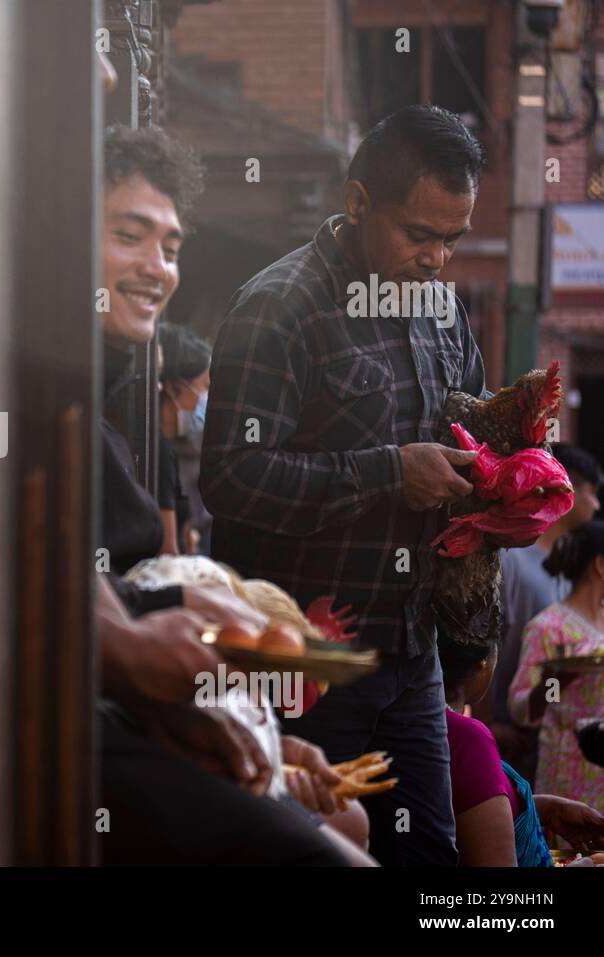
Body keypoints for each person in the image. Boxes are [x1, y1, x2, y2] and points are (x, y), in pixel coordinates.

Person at [201, 104, 493, 866]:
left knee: (431, 858)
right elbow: (232, 478)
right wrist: (388, 471)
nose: (436, 260)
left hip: (414, 652)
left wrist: (506, 486)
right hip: (308, 665)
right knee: (313, 855)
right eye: (419, 235)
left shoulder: (443, 312)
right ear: (359, 202)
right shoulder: (280, 307)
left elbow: (475, 440)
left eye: (452, 241)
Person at [94, 125, 367, 866]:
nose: (157, 268)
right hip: (72, 732)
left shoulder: (97, 404)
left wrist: (260, 733)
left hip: (132, 709)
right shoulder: (26, 387)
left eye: (172, 247)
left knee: (351, 825)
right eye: (130, 235)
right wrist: (145, 637)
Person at [480, 445, 602, 779]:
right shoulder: (511, 559)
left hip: (541, 739)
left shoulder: (568, 575)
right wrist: (486, 723)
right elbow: (486, 641)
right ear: (567, 487)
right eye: (593, 493)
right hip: (503, 731)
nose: (597, 504)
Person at [440, 633, 604, 865]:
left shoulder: (417, 722)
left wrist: (546, 809)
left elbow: (462, 810)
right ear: (483, 662)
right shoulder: (466, 737)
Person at [509, 522, 604, 811]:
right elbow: (524, 713)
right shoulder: (549, 628)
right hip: (571, 772)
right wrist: (558, 680)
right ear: (600, 565)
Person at [156, 323, 211, 554]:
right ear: (174, 386)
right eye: (206, 387)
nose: (210, 399)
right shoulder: (158, 455)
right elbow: (167, 553)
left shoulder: (167, 450)